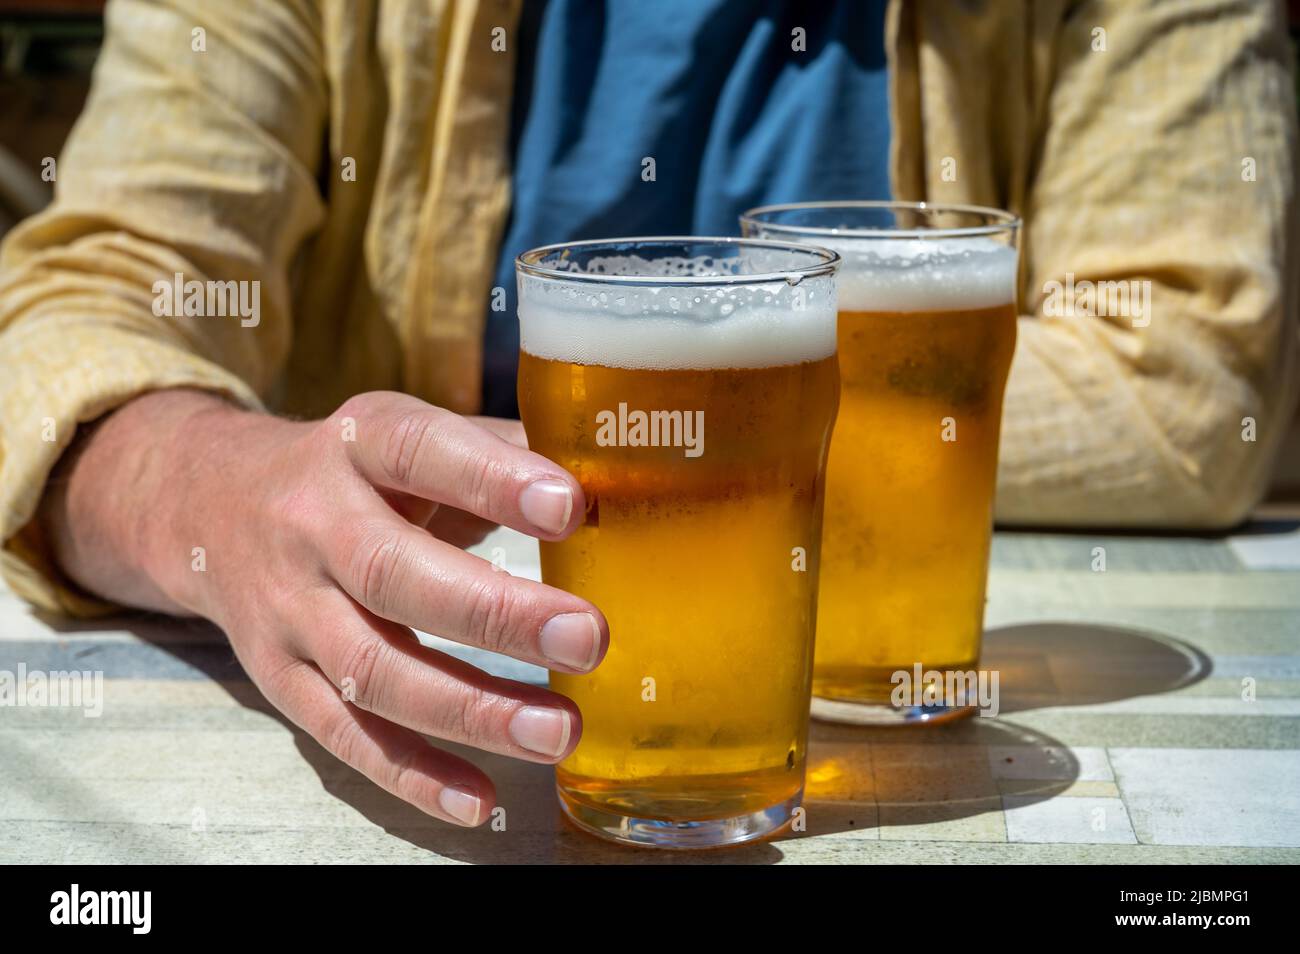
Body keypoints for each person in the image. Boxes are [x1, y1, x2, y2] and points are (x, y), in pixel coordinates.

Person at [0, 0, 1295, 827]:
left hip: (854, 732)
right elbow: (84, 298)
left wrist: (734, 454)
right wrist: (203, 479)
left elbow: (1186, 383)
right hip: (540, 737)